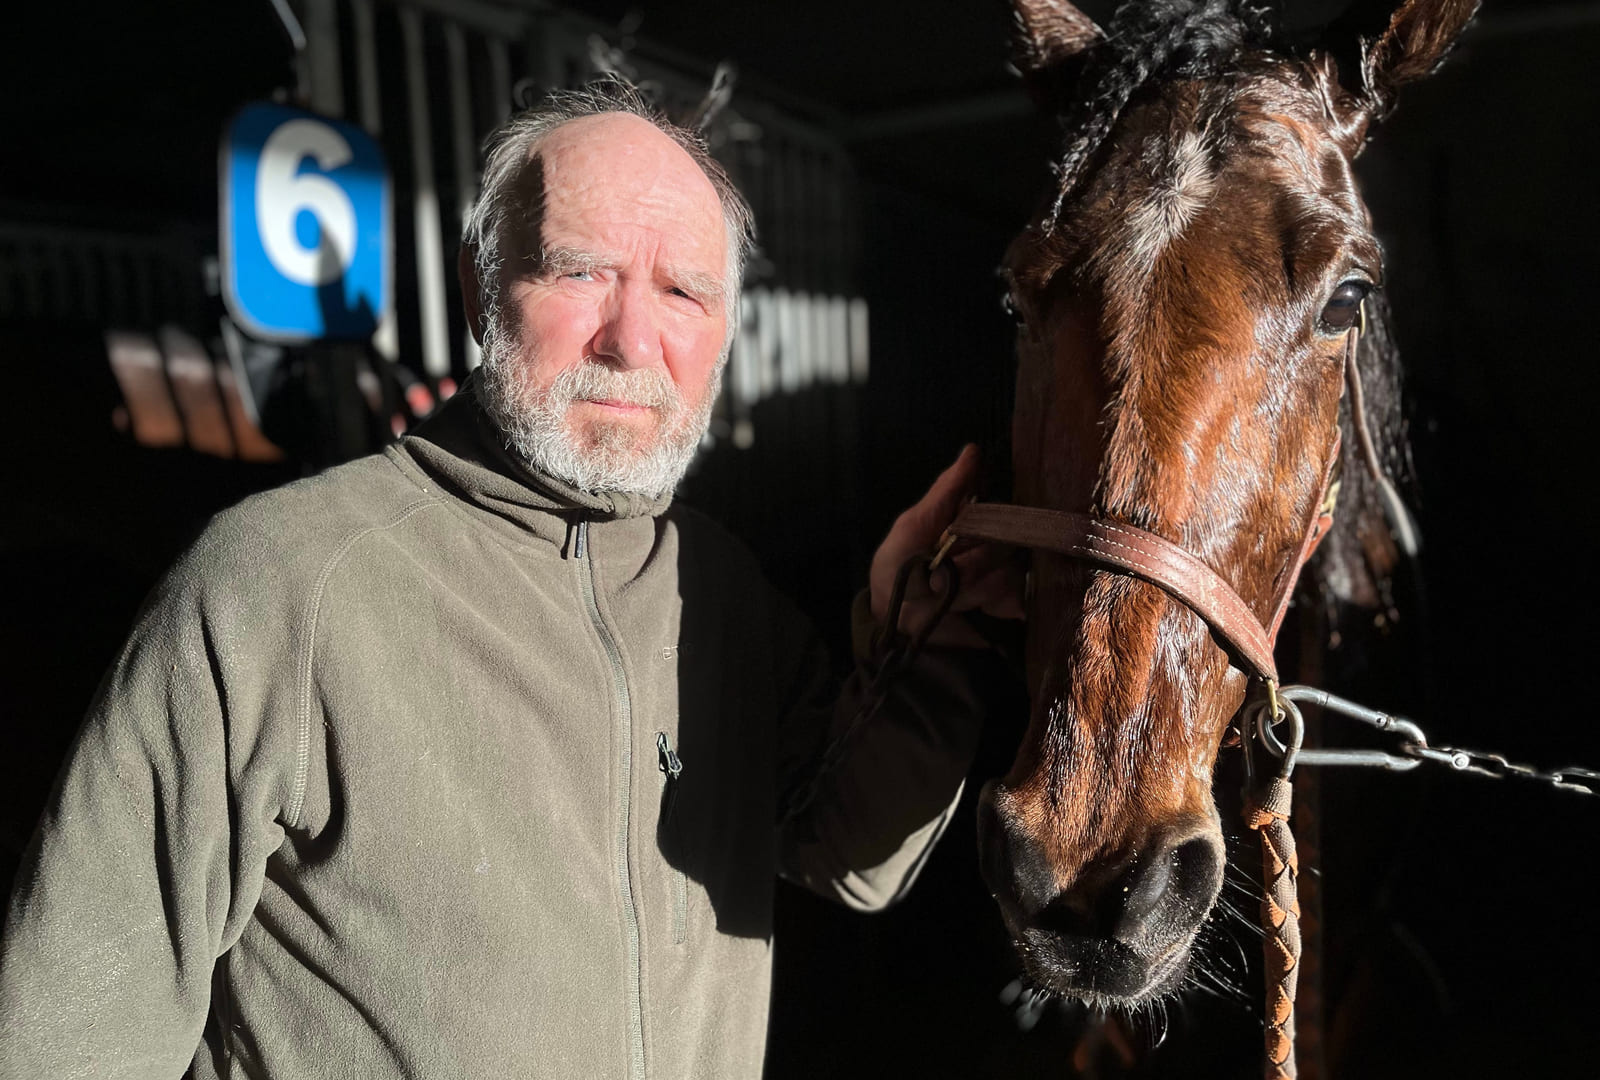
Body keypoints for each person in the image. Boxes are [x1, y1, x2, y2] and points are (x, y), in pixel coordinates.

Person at [0, 81, 1016, 1079]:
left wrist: (927, 633)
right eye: (580, 273)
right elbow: (64, 1039)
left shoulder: (715, 588)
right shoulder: (274, 585)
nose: (631, 341)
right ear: (476, 288)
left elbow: (853, 859)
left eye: (683, 293)